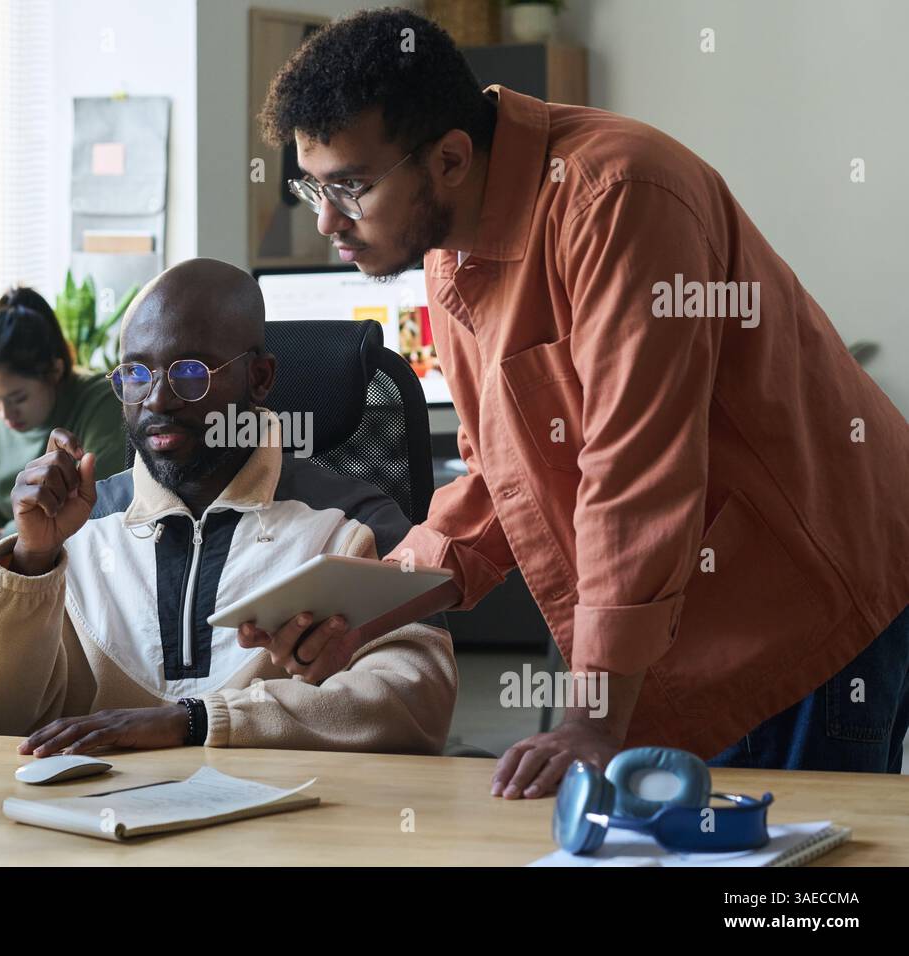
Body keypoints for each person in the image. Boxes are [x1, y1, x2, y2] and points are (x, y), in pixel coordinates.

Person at [252, 8, 909, 793]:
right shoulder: (447, 254)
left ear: (452, 159)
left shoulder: (620, 198)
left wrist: (593, 715)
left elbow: (638, 467)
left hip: (802, 607)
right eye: (310, 187)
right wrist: (363, 603)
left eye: (350, 188)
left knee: (777, 895)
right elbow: (505, 480)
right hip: (686, 625)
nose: (327, 221)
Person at [0, 258, 457, 756]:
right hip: (100, 821)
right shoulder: (74, 532)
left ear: (259, 378)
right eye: (135, 373)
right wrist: (31, 561)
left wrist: (197, 721)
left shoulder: (354, 524)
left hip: (288, 823)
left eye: (190, 373)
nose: (157, 400)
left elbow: (417, 700)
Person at [0, 287, 126, 537]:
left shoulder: (102, 405)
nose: (4, 413)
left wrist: (2, 536)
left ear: (55, 372)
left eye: (19, 398)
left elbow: (92, 506)